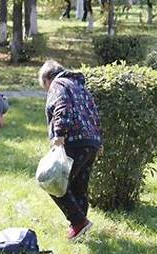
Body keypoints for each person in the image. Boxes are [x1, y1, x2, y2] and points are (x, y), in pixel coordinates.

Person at [38, 60, 102, 242]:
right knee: (78, 186)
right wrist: (100, 140)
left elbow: (62, 106)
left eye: (44, 86)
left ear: (47, 79)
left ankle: (79, 222)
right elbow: (94, 113)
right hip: (91, 142)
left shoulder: (58, 84)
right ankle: (79, 230)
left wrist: (59, 134)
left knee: (51, 180)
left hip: (73, 140)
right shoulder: (80, 86)